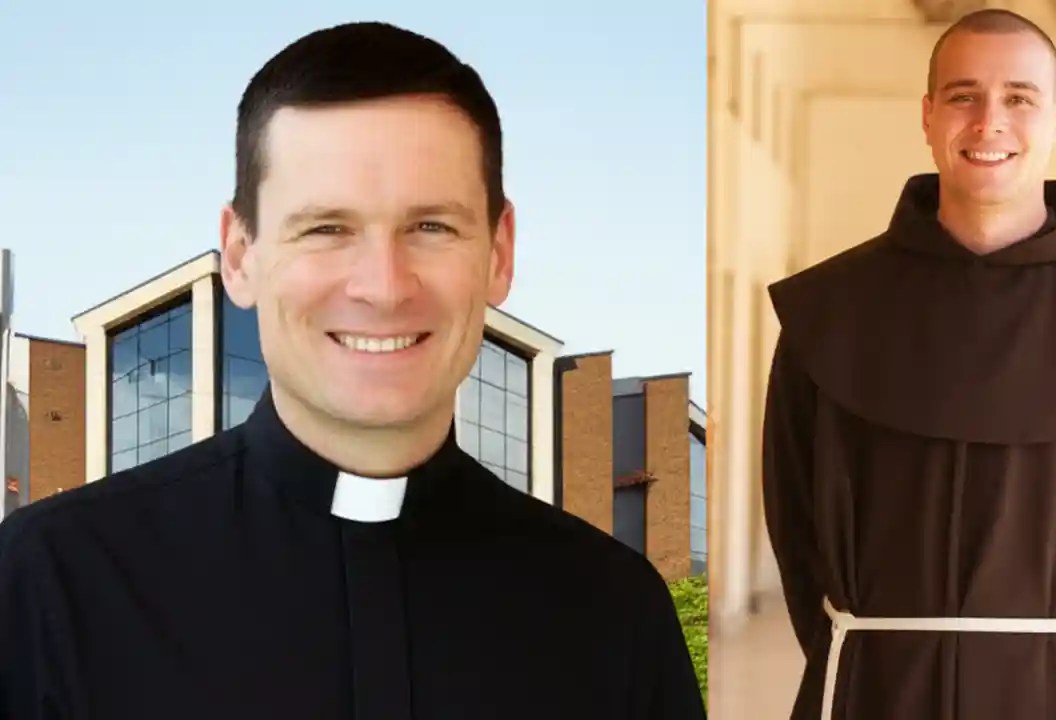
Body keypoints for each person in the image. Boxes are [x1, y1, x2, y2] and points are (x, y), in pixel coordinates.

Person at [0, 22, 705, 720]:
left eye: (431, 226)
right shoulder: (48, 587)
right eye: (327, 228)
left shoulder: (614, 613)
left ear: (499, 252)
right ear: (240, 254)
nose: (384, 286)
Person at [762, 9, 1056, 720]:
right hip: (876, 689)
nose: (988, 122)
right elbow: (795, 528)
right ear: (928, 114)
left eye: (1019, 98)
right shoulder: (832, 311)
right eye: (963, 95)